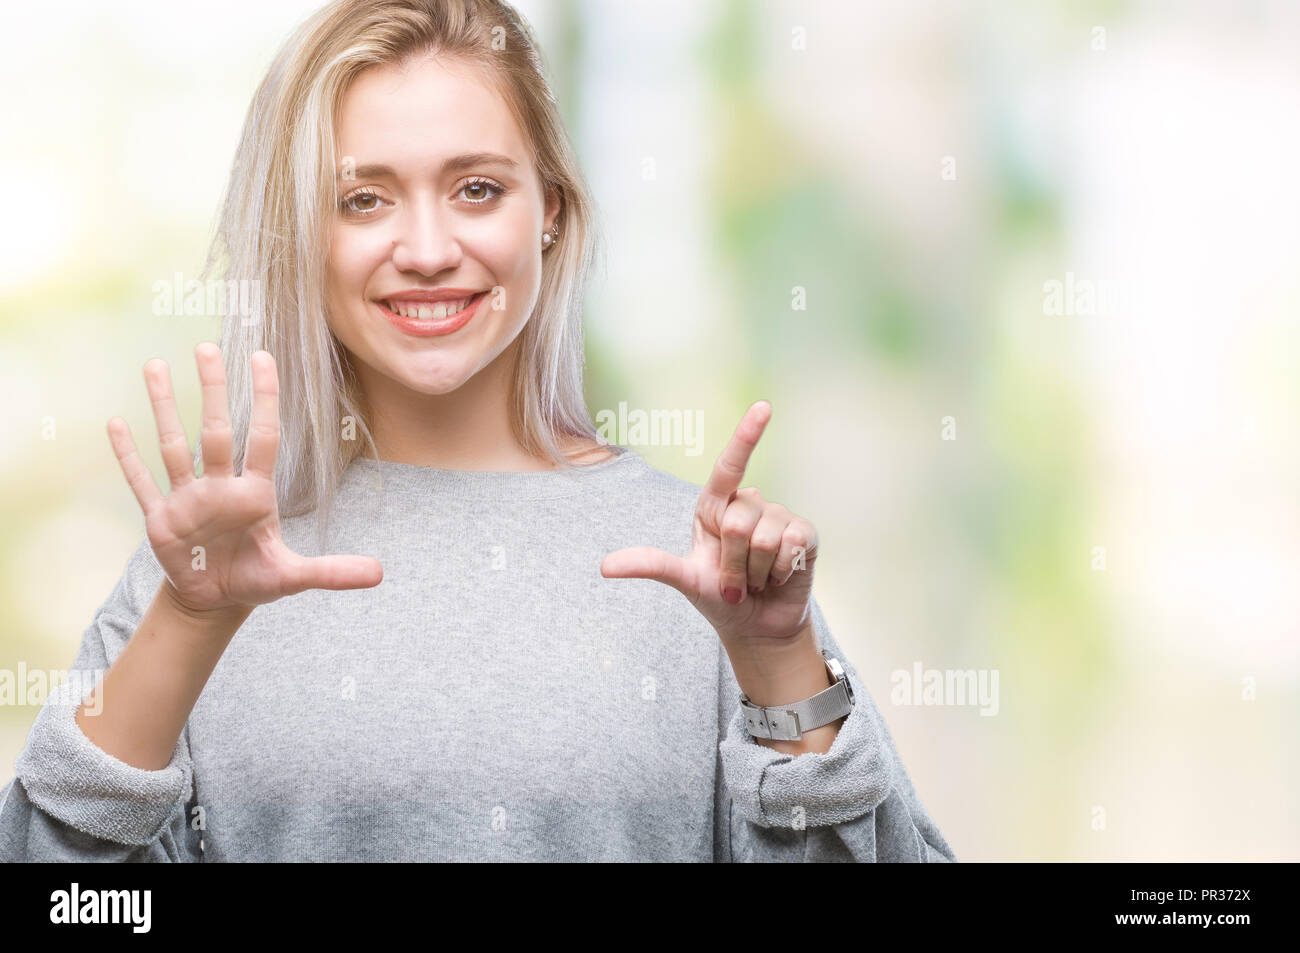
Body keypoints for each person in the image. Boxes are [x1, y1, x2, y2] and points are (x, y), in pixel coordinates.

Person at [0, 0, 954, 862]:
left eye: (477, 189)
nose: (424, 251)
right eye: (362, 198)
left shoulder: (707, 571)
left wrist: (780, 666)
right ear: (300, 232)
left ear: (551, 213)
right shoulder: (199, 574)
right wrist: (191, 620)